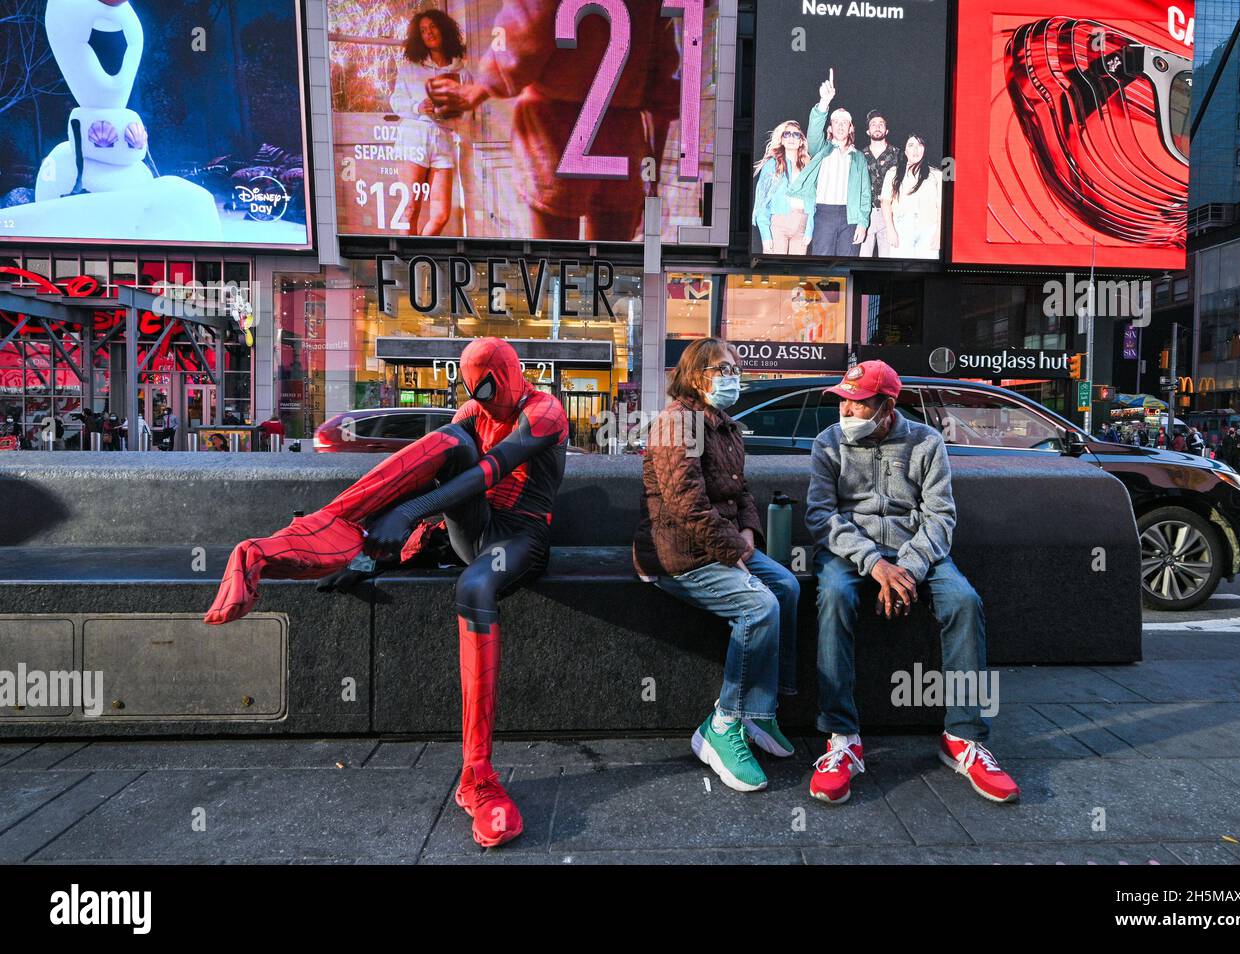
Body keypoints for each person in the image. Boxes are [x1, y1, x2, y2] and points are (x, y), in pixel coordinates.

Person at [206, 338, 568, 850]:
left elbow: (492, 470)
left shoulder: (545, 410)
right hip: (476, 529)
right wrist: (370, 549)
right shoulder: (473, 412)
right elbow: (438, 469)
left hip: (520, 539)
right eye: (473, 390)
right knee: (450, 439)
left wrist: (409, 513)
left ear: (510, 376)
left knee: (475, 585)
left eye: (488, 389)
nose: (482, 401)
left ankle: (477, 774)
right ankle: (329, 524)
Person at [804, 361, 1019, 806]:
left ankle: (963, 737)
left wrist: (908, 567)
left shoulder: (926, 441)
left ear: (886, 407)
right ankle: (842, 738)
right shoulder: (827, 442)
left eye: (857, 403)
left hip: (916, 552)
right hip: (851, 552)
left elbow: (941, 517)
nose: (846, 410)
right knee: (835, 596)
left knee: (964, 602)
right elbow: (821, 516)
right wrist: (874, 564)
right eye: (843, 400)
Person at [633, 337, 799, 793]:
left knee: (786, 587)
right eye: (722, 369)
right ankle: (722, 725)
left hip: (722, 544)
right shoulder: (675, 424)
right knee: (758, 607)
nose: (732, 377)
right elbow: (686, 505)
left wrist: (748, 534)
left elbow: (742, 491)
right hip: (678, 553)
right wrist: (735, 552)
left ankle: (759, 711)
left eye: (735, 369)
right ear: (695, 375)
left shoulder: (726, 427)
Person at [434, 0, 680, 241]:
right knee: (611, 259)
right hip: (621, 133)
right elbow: (661, 78)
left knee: (556, 259)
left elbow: (526, 30)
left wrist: (478, 90)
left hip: (556, 130)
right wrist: (652, 177)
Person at [392, 9, 472, 237]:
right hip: (414, 138)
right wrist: (419, 107)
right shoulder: (411, 67)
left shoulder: (461, 72)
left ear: (444, 29)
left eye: (433, 27)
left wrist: (451, 111)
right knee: (410, 209)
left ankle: (419, 252)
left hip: (443, 139)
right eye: (423, 30)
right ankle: (407, 259)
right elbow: (396, 101)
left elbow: (468, 110)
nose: (428, 33)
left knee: (441, 215)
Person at [790, 69, 872, 256]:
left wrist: (862, 223)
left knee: (848, 264)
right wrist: (824, 102)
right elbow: (813, 131)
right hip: (823, 214)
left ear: (850, 128)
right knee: (821, 263)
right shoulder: (821, 149)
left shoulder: (859, 157)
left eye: (845, 122)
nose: (841, 125)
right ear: (830, 127)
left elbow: (865, 194)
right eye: (836, 122)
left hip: (850, 216)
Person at [752, 120, 814, 254]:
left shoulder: (808, 167)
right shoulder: (772, 165)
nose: (791, 137)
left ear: (801, 141)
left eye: (796, 135)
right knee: (775, 265)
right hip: (779, 222)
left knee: (797, 267)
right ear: (781, 139)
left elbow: (812, 200)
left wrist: (809, 228)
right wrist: (765, 234)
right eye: (787, 134)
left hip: (802, 223)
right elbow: (762, 200)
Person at [881, 135, 941, 259]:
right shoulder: (893, 173)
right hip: (901, 229)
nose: (916, 150)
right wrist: (890, 230)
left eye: (920, 145)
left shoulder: (936, 174)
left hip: (928, 229)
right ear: (905, 150)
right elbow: (885, 202)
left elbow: (941, 206)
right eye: (911, 145)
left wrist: (939, 233)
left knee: (926, 268)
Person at [858, 110, 899, 258]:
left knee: (888, 260)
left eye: (881, 124)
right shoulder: (860, 155)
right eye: (873, 124)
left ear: (886, 130)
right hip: (866, 214)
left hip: (889, 214)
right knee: (862, 259)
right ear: (868, 131)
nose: (877, 127)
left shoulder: (898, 154)